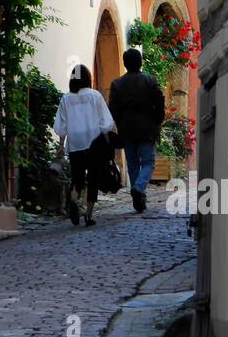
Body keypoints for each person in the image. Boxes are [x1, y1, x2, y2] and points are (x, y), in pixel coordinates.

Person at [53, 64, 116, 228]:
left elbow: (62, 126)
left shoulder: (66, 99)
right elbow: (105, 122)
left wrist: (61, 145)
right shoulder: (95, 96)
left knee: (77, 176)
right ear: (88, 78)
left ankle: (74, 199)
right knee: (94, 177)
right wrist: (106, 136)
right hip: (93, 141)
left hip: (75, 142)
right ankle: (88, 215)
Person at [108, 48, 165, 214]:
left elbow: (112, 109)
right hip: (147, 128)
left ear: (125, 64)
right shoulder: (150, 80)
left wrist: (119, 123)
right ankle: (139, 189)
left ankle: (138, 197)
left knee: (133, 164)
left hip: (126, 129)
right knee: (148, 162)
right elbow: (159, 102)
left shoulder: (117, 84)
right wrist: (157, 120)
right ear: (140, 62)